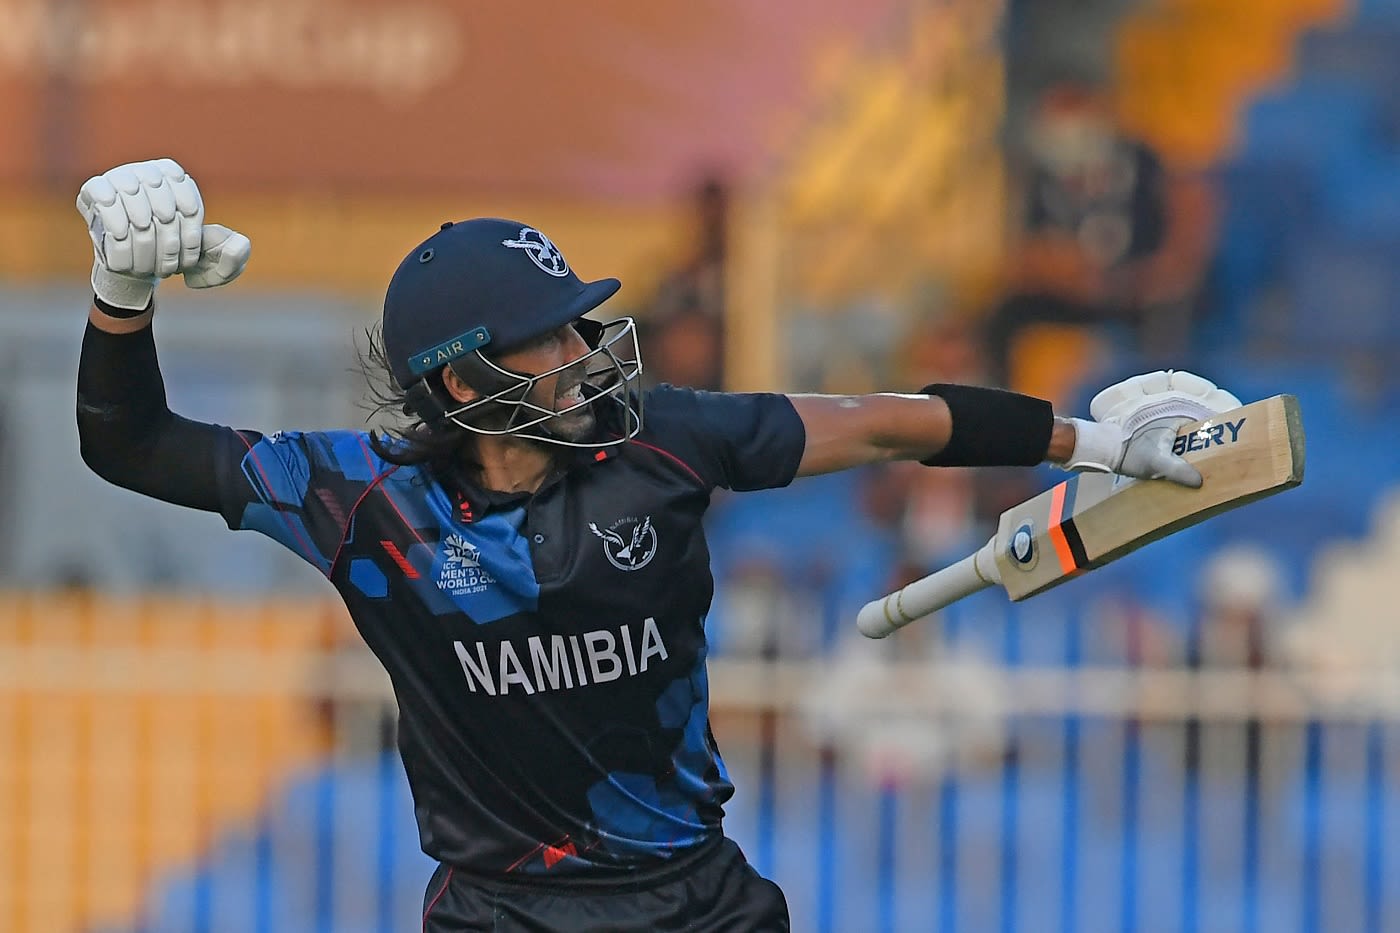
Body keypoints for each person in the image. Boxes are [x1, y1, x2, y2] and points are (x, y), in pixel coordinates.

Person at [74, 158, 1235, 932]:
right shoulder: (360, 498)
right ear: (459, 378)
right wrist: (121, 297)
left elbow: (892, 422)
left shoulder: (667, 439)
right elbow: (131, 446)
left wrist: (1088, 437)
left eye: (579, 319)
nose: (585, 347)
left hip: (695, 898)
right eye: (546, 337)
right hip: (500, 913)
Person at [982, 78, 1216, 388]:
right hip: (1079, 291)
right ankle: (1003, 402)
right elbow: (1027, 252)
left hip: (1142, 283)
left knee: (1174, 307)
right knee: (1006, 315)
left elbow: (1189, 212)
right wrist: (1062, 273)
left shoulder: (1141, 159)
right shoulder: (1042, 180)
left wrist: (1157, 273)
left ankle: (1165, 399)